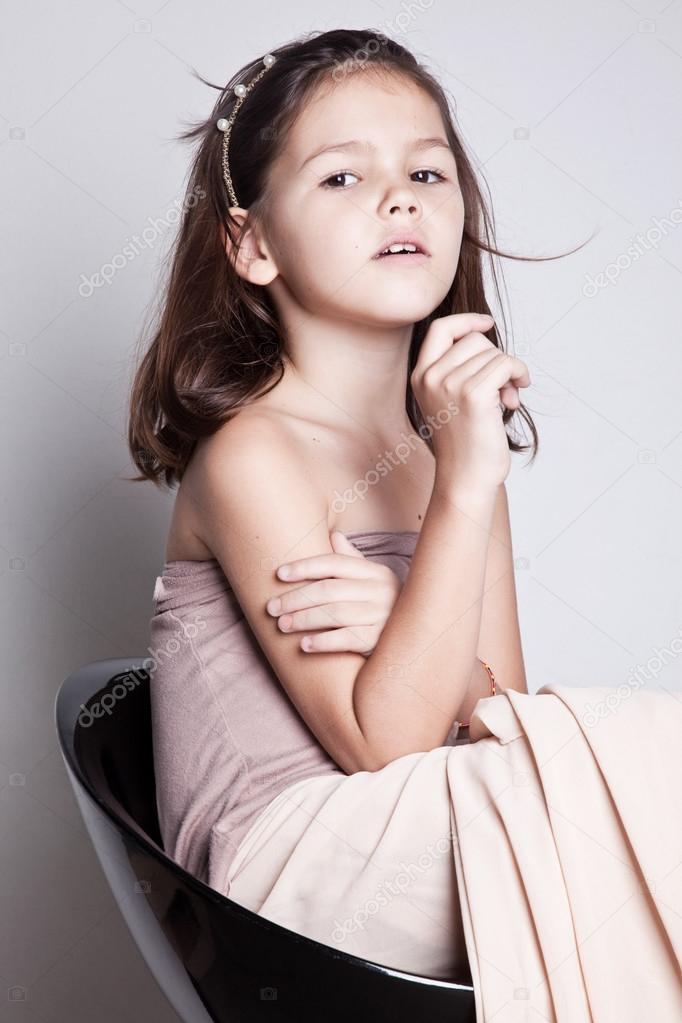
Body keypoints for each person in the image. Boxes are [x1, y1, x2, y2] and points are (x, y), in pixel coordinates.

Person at [126, 28, 578, 984]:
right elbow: (385, 743)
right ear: (251, 243)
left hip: (439, 817)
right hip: (297, 876)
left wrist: (401, 617)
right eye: (340, 177)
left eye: (430, 170)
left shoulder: (453, 446)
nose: (400, 195)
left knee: (619, 784)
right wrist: (461, 498)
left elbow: (506, 723)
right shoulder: (254, 451)